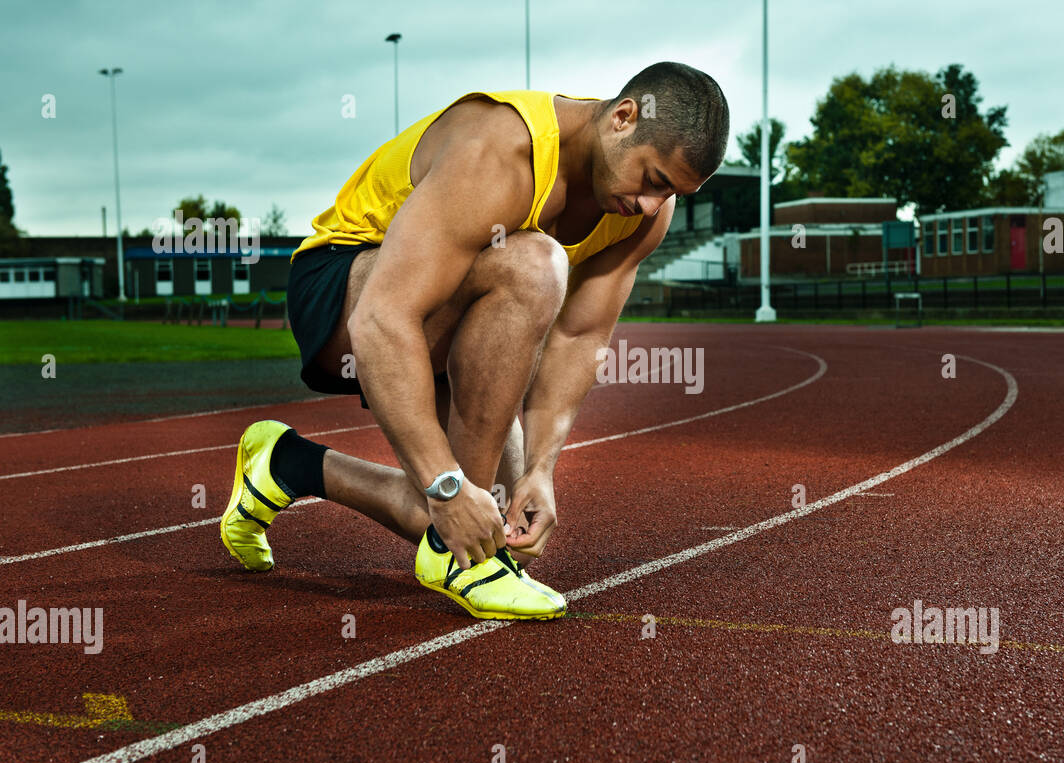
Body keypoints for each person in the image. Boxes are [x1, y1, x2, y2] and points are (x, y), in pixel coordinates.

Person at [219, 62, 730, 620]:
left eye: (672, 194)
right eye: (654, 180)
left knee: (497, 522)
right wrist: (446, 486)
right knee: (535, 265)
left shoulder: (643, 214)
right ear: (624, 119)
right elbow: (383, 318)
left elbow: (580, 336)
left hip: (442, 313)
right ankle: (453, 557)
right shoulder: (503, 148)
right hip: (347, 291)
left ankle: (284, 462)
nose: (654, 205)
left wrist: (540, 468)